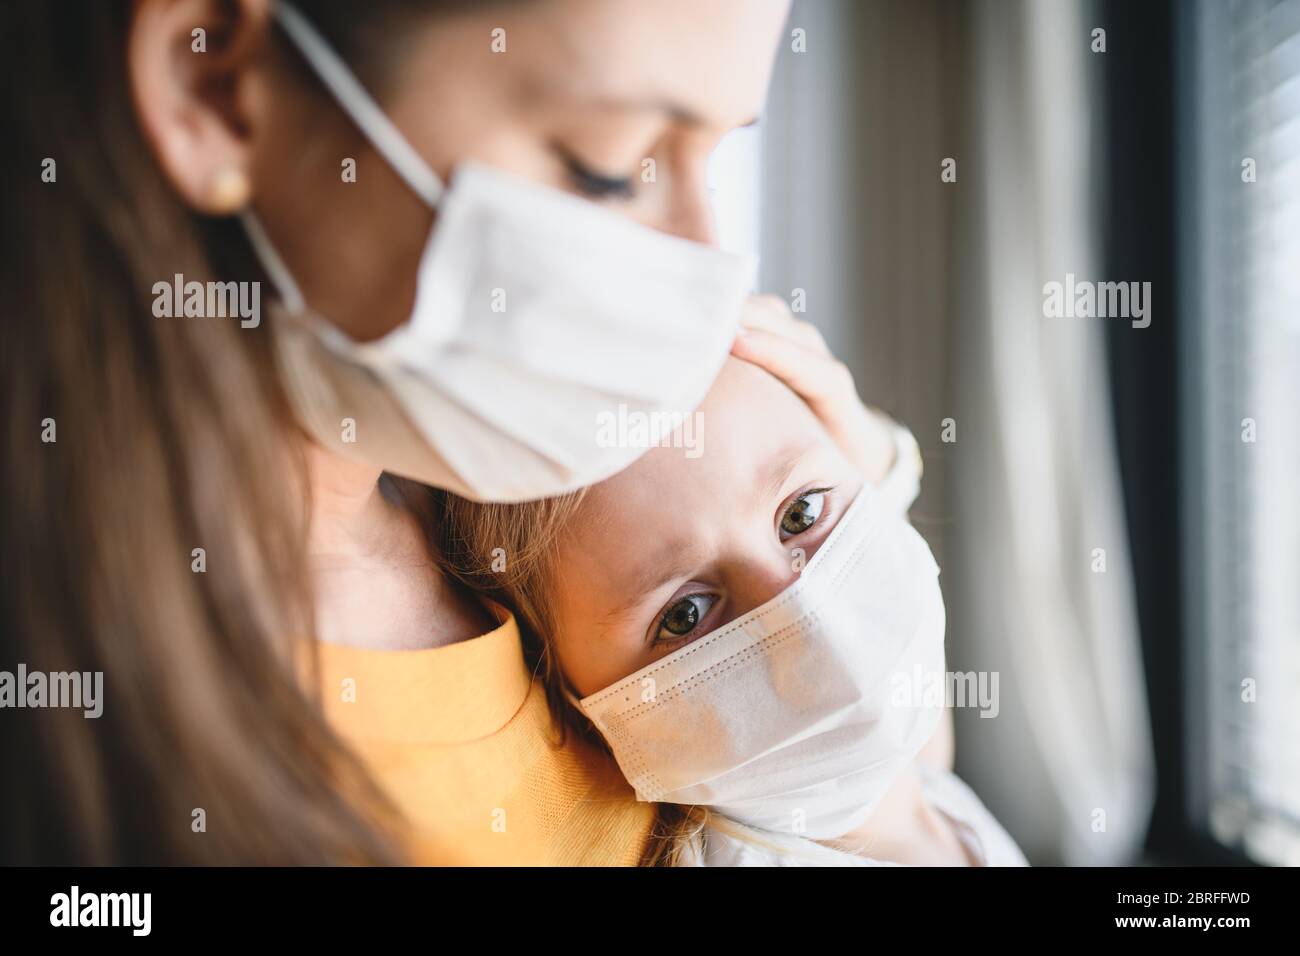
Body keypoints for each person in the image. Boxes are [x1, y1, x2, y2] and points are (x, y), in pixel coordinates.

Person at [1, 0, 802, 864]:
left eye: (716, 158)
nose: (701, 268)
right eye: (609, 168)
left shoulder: (548, 534)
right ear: (218, 84)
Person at [433, 306, 1031, 866]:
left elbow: (920, 750)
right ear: (579, 707)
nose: (808, 614)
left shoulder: (904, 778)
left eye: (801, 514)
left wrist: (882, 469)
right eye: (685, 615)